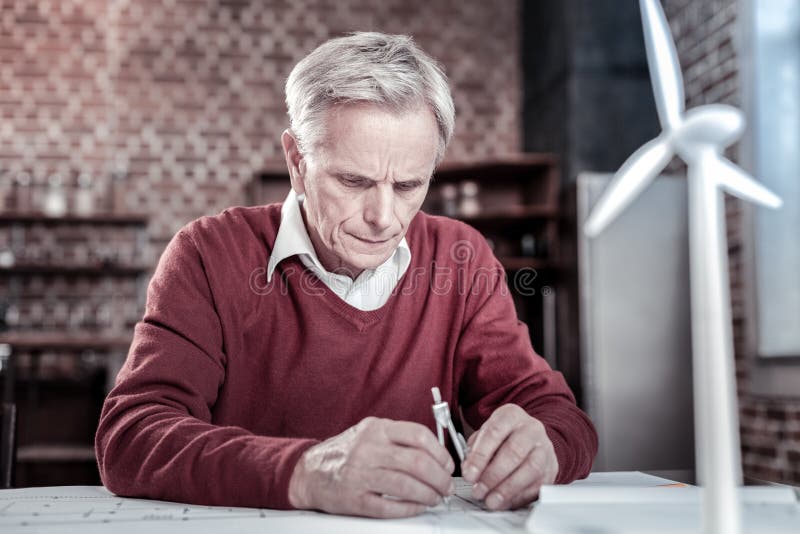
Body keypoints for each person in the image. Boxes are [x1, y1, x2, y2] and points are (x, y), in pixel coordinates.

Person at [95, 31, 597, 519]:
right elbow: (131, 435)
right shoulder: (208, 253)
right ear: (297, 162)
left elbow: (558, 415)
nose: (384, 217)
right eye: (354, 181)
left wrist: (544, 447)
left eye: (408, 185)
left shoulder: (460, 257)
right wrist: (306, 473)